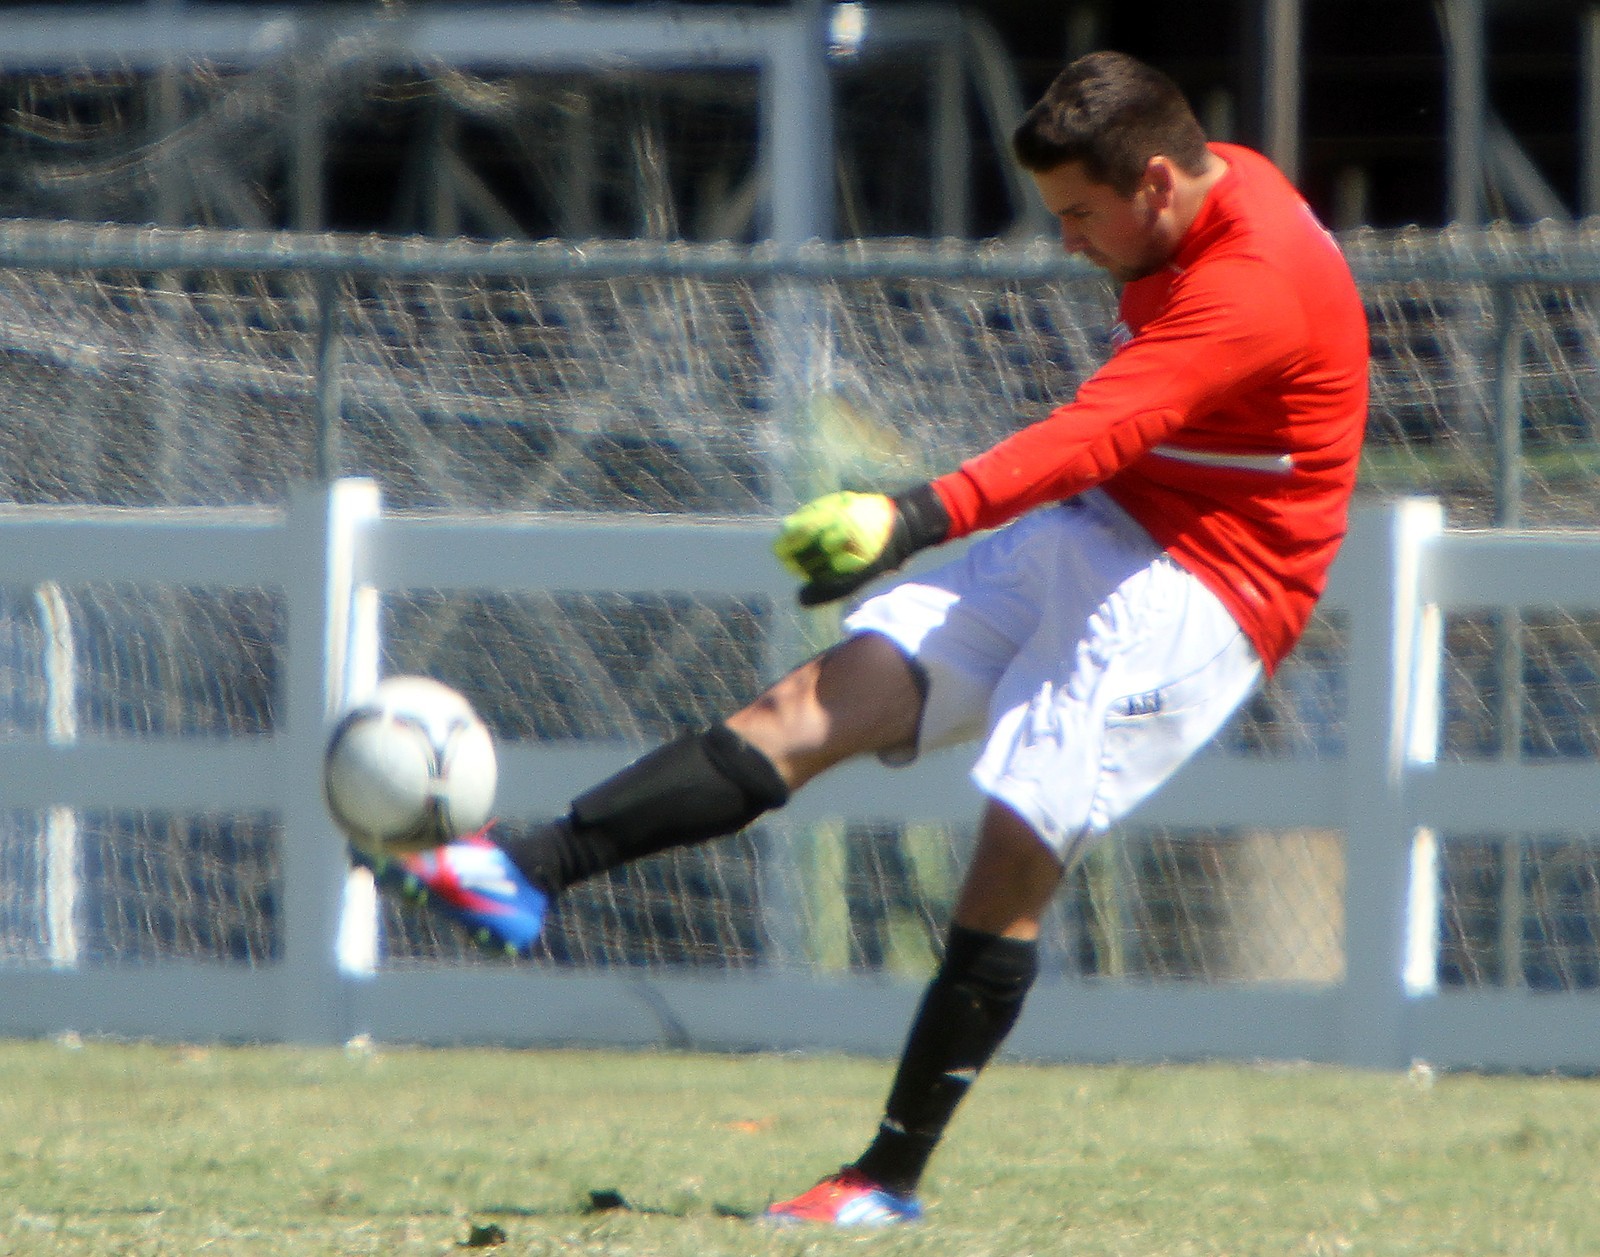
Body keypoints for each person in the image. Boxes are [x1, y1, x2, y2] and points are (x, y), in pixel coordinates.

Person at [376, 49, 1370, 1227]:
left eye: (1079, 216)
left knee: (1016, 838)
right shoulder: (1212, 188)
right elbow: (1106, 457)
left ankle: (884, 1179)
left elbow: (1091, 434)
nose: (1065, 243)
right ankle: (524, 871)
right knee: (813, 703)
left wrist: (907, 517)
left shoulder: (1249, 284)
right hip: (1110, 528)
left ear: (1157, 185)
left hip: (1211, 589)